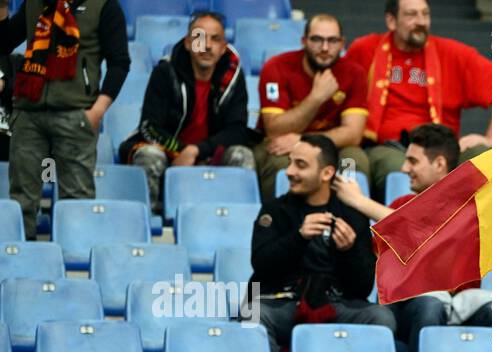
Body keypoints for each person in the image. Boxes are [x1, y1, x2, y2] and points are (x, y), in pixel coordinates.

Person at [334, 122, 492, 352]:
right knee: (430, 304)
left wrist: (360, 201)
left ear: (439, 164)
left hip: (462, 301)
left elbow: (428, 233)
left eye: (412, 161)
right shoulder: (400, 206)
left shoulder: (468, 209)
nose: (403, 168)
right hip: (412, 304)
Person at [345, 0, 492, 191]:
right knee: (402, 168)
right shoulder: (365, 49)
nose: (421, 21)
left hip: (442, 150)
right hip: (389, 148)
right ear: (391, 21)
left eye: (425, 14)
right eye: (411, 15)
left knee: (481, 156)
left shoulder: (451, 53)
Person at [249, 133, 397, 352]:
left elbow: (363, 287)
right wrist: (298, 237)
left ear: (327, 172)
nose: (289, 172)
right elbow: (261, 265)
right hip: (284, 301)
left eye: (300, 165)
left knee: (381, 317)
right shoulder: (274, 209)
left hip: (335, 301)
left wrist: (349, 251)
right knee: (252, 314)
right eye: (290, 162)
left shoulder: (351, 214)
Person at [0, 0, 130, 238]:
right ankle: (19, 264)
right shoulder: (33, 3)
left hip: (76, 115)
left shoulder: (103, 6)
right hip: (29, 113)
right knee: (21, 201)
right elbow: (4, 43)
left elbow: (119, 62)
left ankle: (72, 264)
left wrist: (97, 111)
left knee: (77, 202)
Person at [119, 11, 254, 216]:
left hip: (207, 154)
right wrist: (182, 151)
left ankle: (236, 220)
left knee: (242, 155)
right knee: (150, 155)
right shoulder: (166, 72)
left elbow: (237, 130)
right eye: (199, 37)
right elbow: (150, 126)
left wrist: (196, 151)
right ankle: (150, 222)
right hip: (168, 152)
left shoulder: (233, 76)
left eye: (215, 39)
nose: (207, 45)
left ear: (223, 47)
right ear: (188, 42)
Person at [253, 13, 369, 201]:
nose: (324, 48)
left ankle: (345, 221)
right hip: (282, 146)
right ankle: (281, 221)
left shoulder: (354, 73)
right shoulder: (277, 67)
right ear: (304, 41)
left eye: (332, 41)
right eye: (317, 40)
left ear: (342, 44)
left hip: (327, 144)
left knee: (355, 161)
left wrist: (302, 140)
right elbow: (274, 130)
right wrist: (316, 98)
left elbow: (353, 134)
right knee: (279, 164)